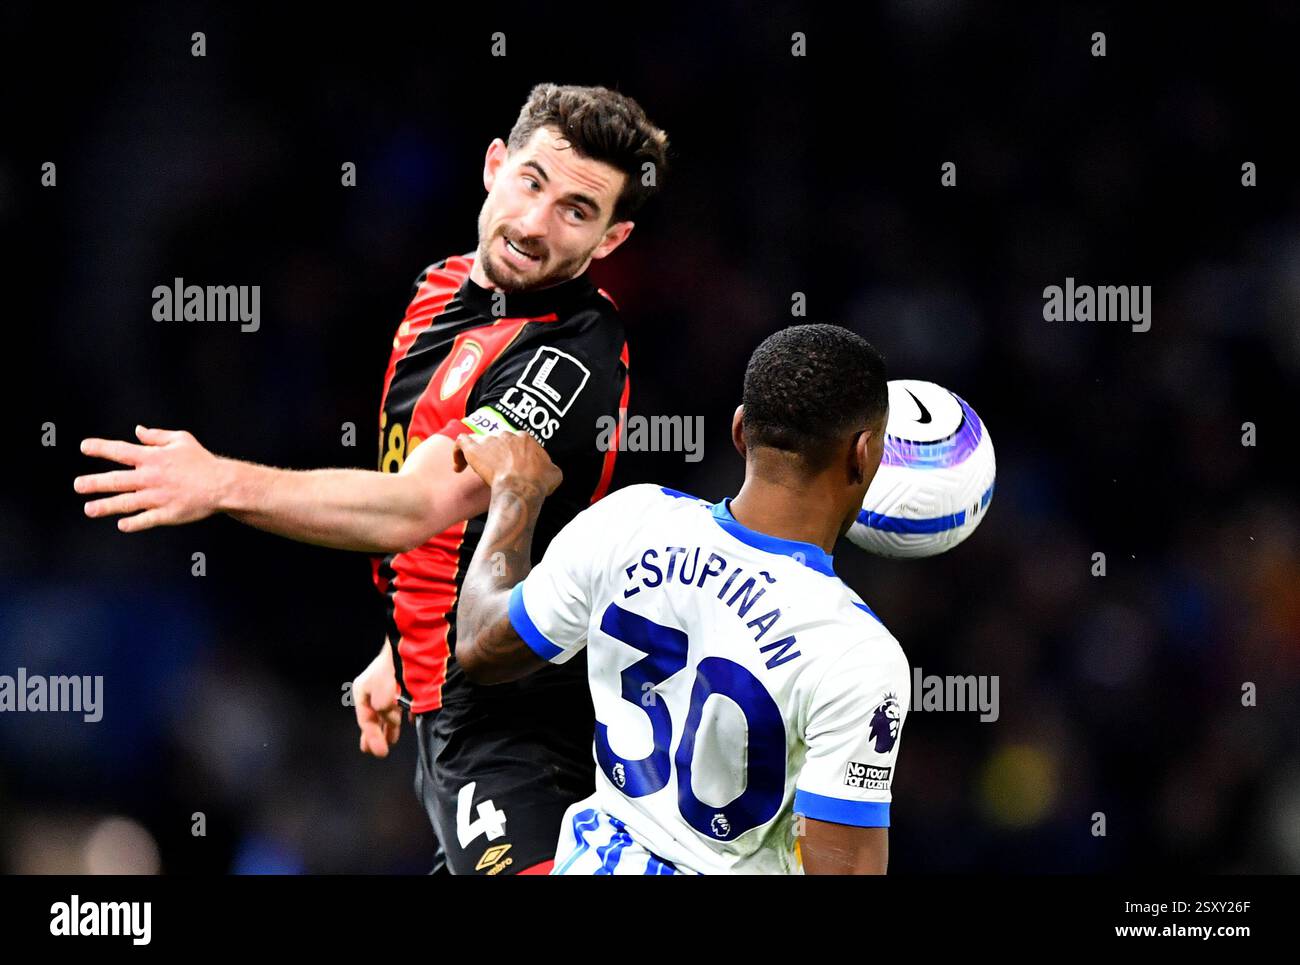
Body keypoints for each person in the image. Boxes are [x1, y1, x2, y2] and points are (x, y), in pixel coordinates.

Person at [74, 83, 671, 875]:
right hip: (445, 705)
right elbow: (442, 517)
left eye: (576, 210)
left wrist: (221, 482)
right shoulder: (437, 290)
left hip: (524, 720)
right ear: (495, 166)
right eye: (532, 183)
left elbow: (418, 505)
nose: (535, 225)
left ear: (610, 238)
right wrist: (403, 643)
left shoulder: (568, 354)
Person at [451, 323, 912, 874]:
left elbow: (482, 646)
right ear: (863, 454)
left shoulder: (630, 519)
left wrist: (515, 494)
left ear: (740, 430)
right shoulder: (857, 652)